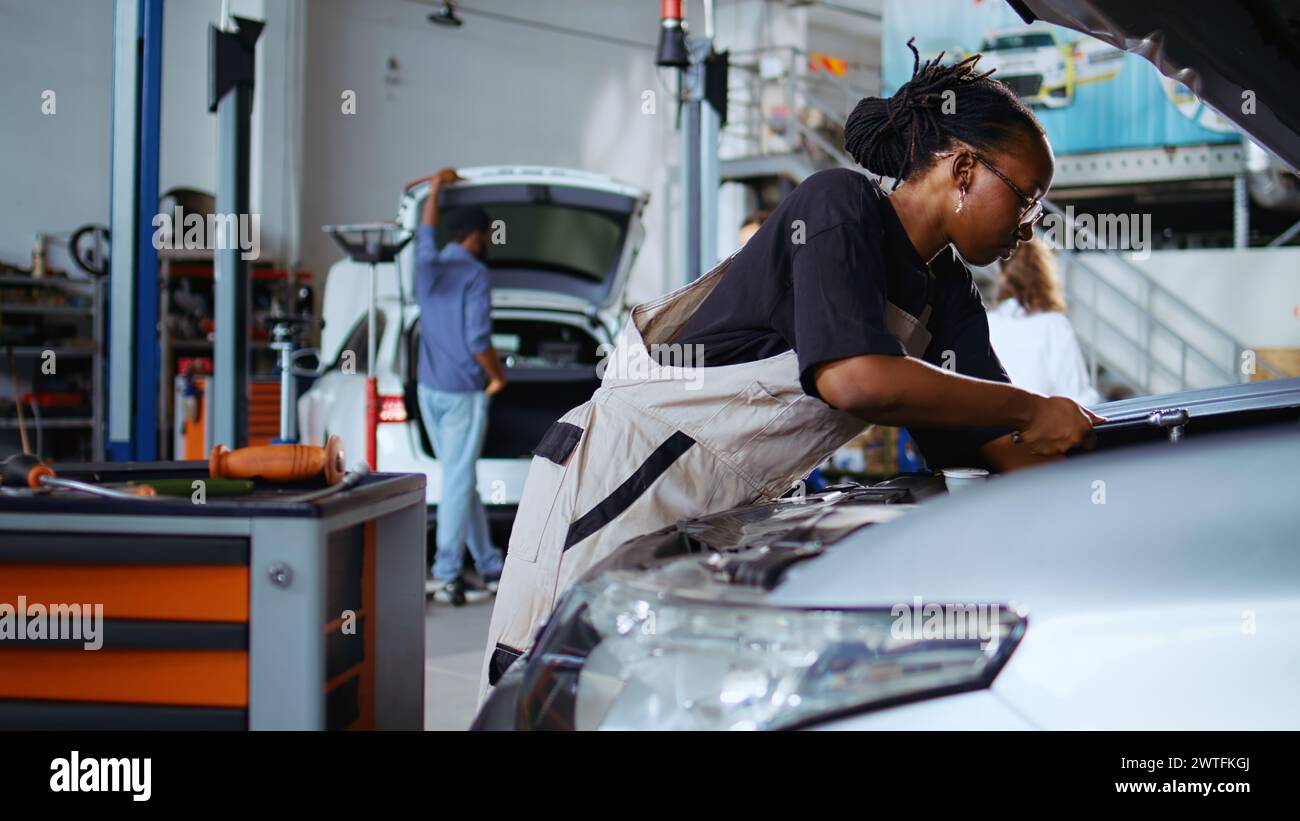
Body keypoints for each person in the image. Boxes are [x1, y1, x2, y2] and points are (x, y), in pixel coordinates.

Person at [479, 40, 1105, 700]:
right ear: (965, 168)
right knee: (556, 690)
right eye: (1027, 198)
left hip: (727, 511)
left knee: (663, 701)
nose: (1030, 225)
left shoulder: (945, 290)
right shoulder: (837, 205)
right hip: (627, 474)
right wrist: (1034, 409)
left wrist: (1102, 486)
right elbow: (855, 377)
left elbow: (990, 447)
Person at [410, 167, 509, 606]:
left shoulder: (427, 265)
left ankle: (488, 563)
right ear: (476, 236)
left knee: (458, 478)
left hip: (429, 388)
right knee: (456, 479)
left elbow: (424, 229)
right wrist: (498, 375)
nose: (488, 242)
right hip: (463, 393)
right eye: (487, 235)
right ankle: (447, 573)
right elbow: (477, 341)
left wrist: (433, 189)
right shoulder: (474, 274)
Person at [986, 237, 1101, 405]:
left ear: (1003, 275)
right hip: (1039, 426)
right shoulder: (1053, 325)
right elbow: (1077, 396)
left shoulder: (987, 323)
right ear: (1043, 275)